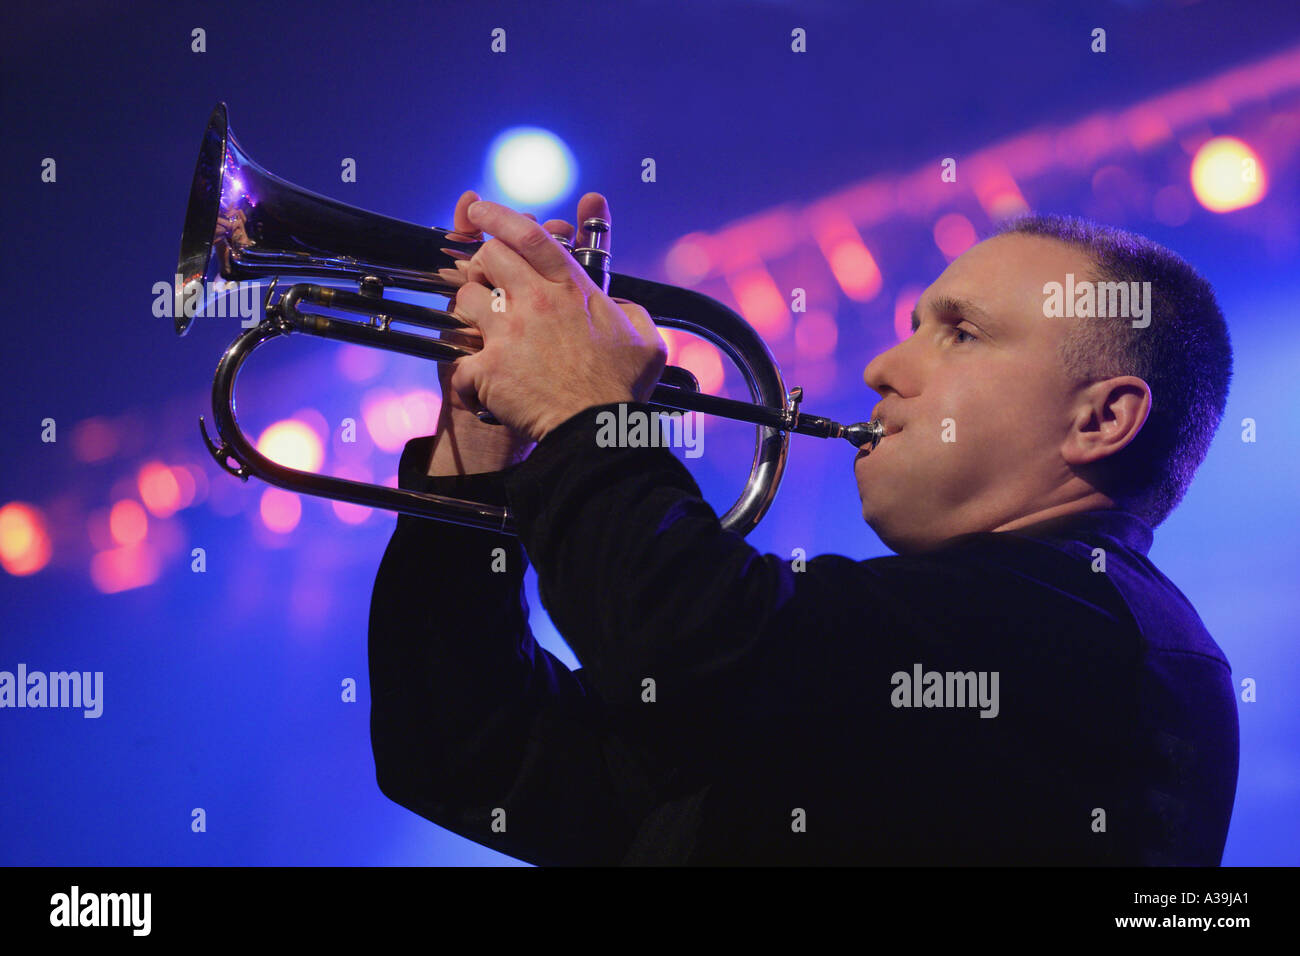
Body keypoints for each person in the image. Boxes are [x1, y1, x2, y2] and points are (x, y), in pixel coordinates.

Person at [367, 188, 1238, 865]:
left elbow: (684, 638)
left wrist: (582, 407)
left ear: (1101, 420)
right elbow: (467, 755)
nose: (882, 366)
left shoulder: (1102, 634)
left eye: (962, 334)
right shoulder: (872, 654)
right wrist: (484, 452)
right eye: (913, 327)